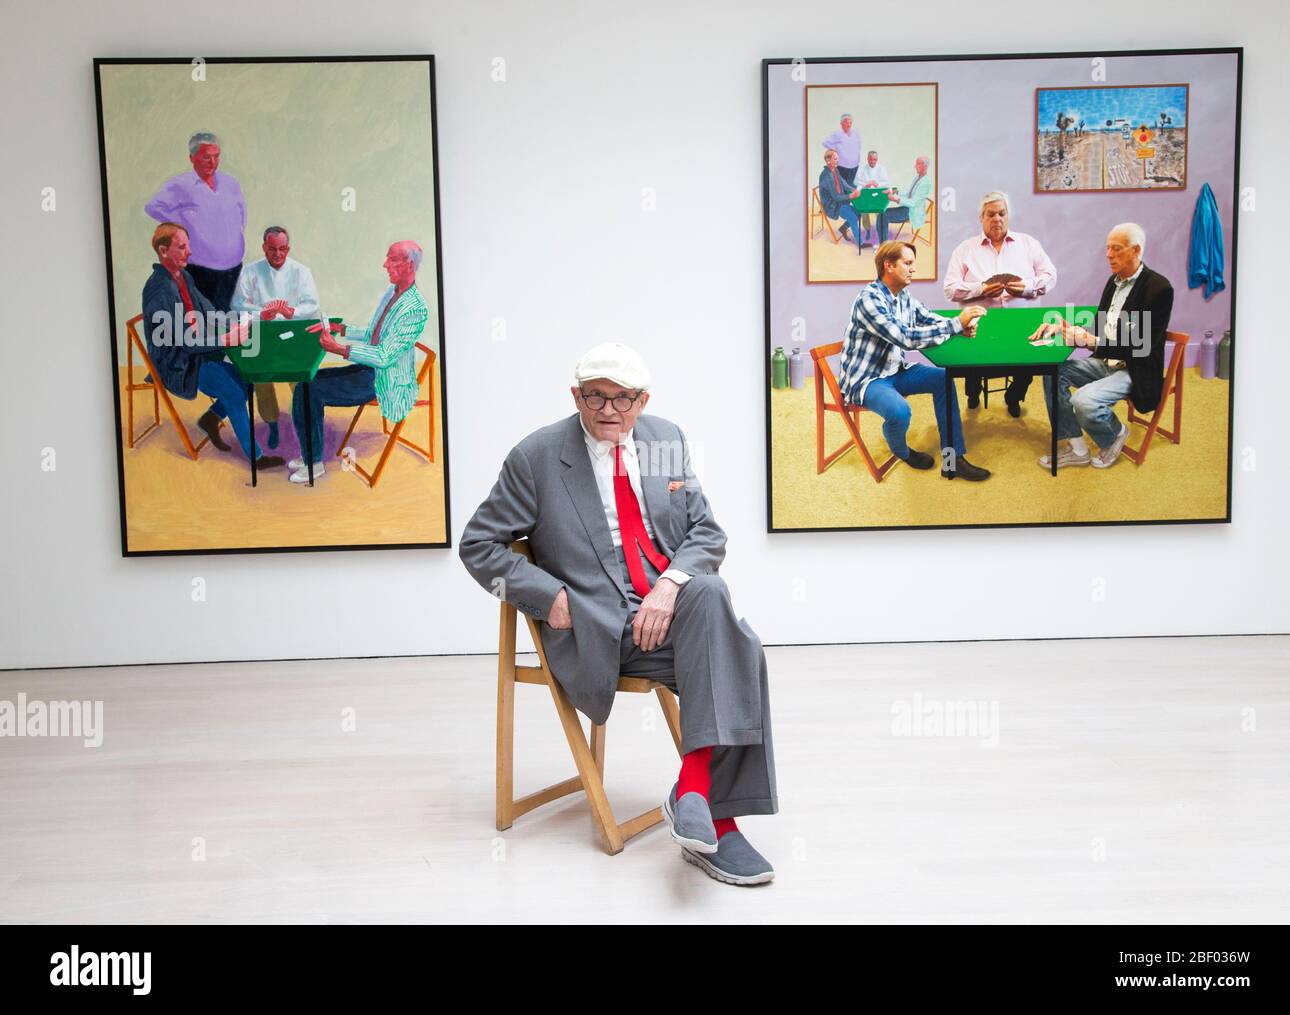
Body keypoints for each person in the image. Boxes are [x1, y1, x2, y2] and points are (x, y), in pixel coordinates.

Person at [459, 344, 778, 886]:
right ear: (576, 397)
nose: (609, 410)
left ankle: (697, 794)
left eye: (623, 399)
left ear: (642, 400)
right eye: (595, 397)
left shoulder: (664, 439)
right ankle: (716, 819)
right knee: (739, 649)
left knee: (709, 594)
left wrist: (668, 587)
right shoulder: (536, 458)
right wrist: (548, 597)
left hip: (666, 614)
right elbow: (478, 546)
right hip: (598, 625)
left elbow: (706, 532)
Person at [838, 241, 991, 481]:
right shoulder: (869, 300)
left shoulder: (903, 296)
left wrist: (958, 328)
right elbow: (905, 338)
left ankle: (953, 460)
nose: (913, 269)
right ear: (888, 266)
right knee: (900, 411)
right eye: (907, 263)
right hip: (868, 379)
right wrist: (956, 324)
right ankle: (903, 452)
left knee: (943, 379)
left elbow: (928, 318)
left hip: (896, 370)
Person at [1029, 223, 1173, 469]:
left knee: (1083, 401)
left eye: (1116, 249)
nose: (1108, 255)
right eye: (1107, 249)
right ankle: (1078, 448)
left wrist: (1090, 341)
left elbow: (1139, 345)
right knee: (1053, 372)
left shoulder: (1158, 289)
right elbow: (1101, 328)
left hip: (1135, 369)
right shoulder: (1114, 282)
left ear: (1136, 250)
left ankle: (1115, 433)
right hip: (1105, 363)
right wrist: (1067, 329)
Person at [140, 223, 282, 470]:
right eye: (182, 247)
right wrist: (226, 339)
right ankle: (256, 458)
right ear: (163, 251)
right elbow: (185, 342)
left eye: (188, 246)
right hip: (178, 363)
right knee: (235, 393)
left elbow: (210, 312)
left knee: (247, 375)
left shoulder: (183, 277)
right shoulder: (158, 290)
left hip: (197, 353)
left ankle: (211, 418)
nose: (189, 252)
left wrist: (252, 318)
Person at [291, 241, 428, 485]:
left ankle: (314, 463)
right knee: (305, 382)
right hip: (370, 369)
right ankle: (309, 455)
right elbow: (374, 335)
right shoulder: (393, 292)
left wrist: (340, 349)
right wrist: (340, 329)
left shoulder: (415, 308)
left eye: (392, 260)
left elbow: (385, 356)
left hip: (383, 381)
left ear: (409, 265)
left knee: (309, 390)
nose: (385, 264)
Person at [942, 192, 1058, 416]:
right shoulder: (965, 249)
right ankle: (973, 393)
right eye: (991, 214)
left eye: (1001, 213)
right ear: (981, 218)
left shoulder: (1028, 244)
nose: (997, 218)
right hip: (979, 326)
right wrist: (981, 289)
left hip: (1022, 325)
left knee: (1028, 364)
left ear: (1008, 216)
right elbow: (949, 289)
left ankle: (1013, 396)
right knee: (972, 362)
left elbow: (1050, 276)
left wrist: (1026, 286)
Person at [228, 226, 321, 449]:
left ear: (288, 248)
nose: (277, 254)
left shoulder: (301, 271)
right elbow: (237, 304)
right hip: (262, 332)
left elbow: (312, 304)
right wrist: (261, 313)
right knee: (261, 379)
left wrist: (292, 312)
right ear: (264, 248)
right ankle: (272, 426)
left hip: (293, 332)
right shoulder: (251, 271)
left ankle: (304, 423)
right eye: (272, 249)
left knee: (299, 378)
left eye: (282, 249)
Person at [145, 132, 247, 313]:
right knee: (204, 320)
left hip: (233, 268)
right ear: (192, 158)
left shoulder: (231, 183)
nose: (212, 162)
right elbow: (153, 207)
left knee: (228, 318)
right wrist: (183, 225)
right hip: (200, 270)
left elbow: (242, 215)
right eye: (206, 157)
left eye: (216, 156)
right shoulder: (181, 184)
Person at [875, 156, 932, 246]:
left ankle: (884, 246)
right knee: (881, 213)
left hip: (912, 212)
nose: (915, 166)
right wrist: (894, 192)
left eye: (917, 164)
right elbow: (909, 194)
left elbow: (913, 202)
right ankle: (883, 244)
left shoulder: (926, 183)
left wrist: (895, 198)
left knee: (883, 216)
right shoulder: (918, 177)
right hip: (907, 208)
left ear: (924, 166)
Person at [818, 150, 866, 250]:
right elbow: (835, 197)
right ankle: (860, 243)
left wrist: (855, 190)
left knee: (859, 212)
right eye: (835, 159)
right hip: (832, 205)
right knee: (853, 217)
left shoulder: (835, 171)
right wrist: (850, 196)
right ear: (828, 160)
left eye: (837, 159)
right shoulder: (826, 176)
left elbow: (844, 184)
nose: (837, 161)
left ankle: (844, 228)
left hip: (839, 202)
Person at [822, 113, 861, 188]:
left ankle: (850, 199)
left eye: (850, 122)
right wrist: (836, 151)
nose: (848, 124)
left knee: (851, 186)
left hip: (854, 167)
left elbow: (858, 146)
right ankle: (845, 199)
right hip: (842, 166)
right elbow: (825, 143)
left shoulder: (856, 134)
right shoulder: (837, 134)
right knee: (842, 186)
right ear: (841, 124)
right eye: (846, 122)